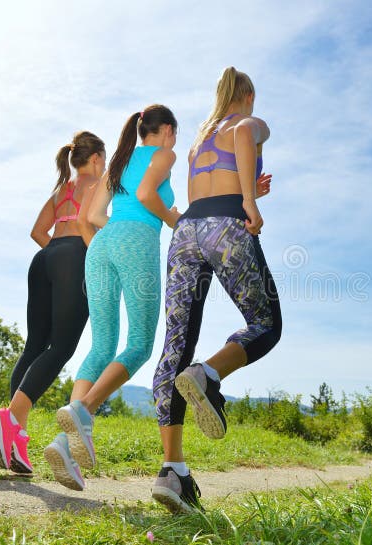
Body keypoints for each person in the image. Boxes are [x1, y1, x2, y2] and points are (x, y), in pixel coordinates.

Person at [151, 67, 282, 513]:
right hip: (226, 227)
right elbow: (247, 132)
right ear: (246, 94)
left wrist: (249, 191)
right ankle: (208, 375)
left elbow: (207, 193)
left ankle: (174, 472)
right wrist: (249, 201)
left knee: (174, 346)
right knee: (265, 324)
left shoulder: (198, 140)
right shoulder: (245, 120)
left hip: (187, 231)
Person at [43, 105, 181, 491]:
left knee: (102, 345)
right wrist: (171, 219)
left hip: (101, 245)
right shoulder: (164, 155)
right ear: (166, 130)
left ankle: (65, 445)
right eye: (174, 134)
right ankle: (83, 412)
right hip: (136, 243)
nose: (173, 142)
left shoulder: (119, 160)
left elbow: (91, 216)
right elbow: (145, 194)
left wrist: (121, 225)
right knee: (138, 345)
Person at [0, 132, 105, 474]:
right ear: (95, 159)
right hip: (73, 258)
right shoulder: (98, 184)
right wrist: (85, 257)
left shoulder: (61, 189)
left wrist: (56, 253)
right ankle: (11, 419)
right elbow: (88, 225)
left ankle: (14, 438)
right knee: (61, 348)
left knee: (35, 345)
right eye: (105, 159)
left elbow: (39, 231)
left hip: (44, 259)